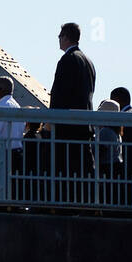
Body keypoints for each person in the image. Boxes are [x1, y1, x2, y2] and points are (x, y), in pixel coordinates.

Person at [49, 22, 96, 188]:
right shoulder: (88, 62)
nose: (58, 39)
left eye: (60, 35)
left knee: (67, 173)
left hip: (68, 127)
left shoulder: (67, 60)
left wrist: (51, 119)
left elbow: (59, 95)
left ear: (66, 37)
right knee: (84, 173)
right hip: (85, 125)